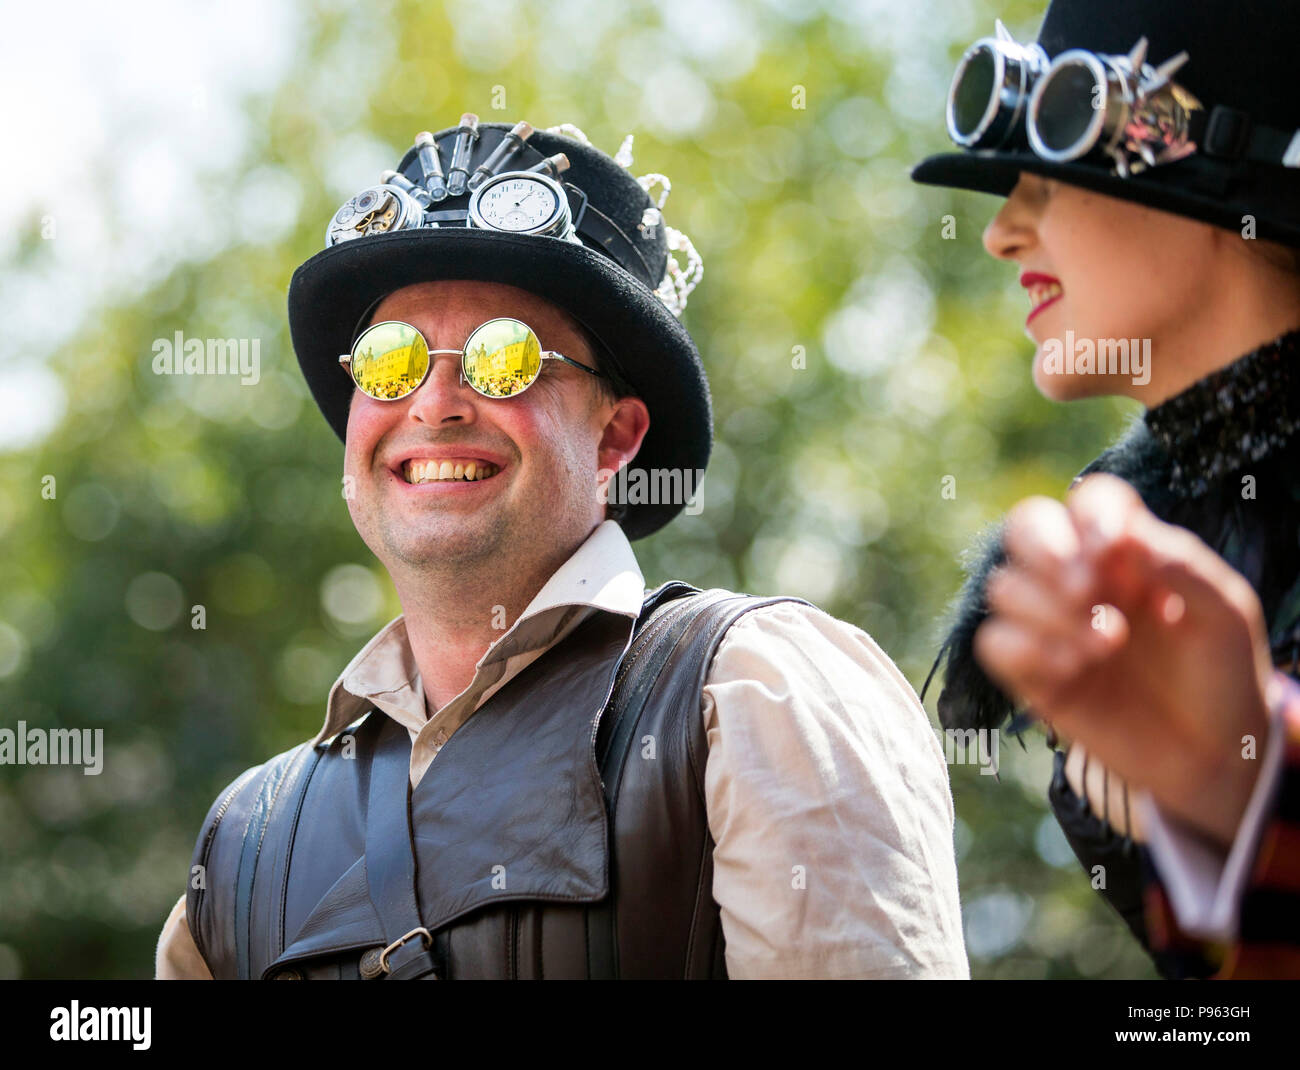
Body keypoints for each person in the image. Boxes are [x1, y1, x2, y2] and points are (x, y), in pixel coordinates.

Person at [154, 118, 969, 979]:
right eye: (390, 362)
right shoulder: (246, 841)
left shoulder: (755, 691)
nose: (434, 403)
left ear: (616, 438)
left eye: (503, 357)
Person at [913, 0, 1300, 977]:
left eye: (1051, 174)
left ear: (1225, 174)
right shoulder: (1152, 544)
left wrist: (1233, 773)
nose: (1002, 231)